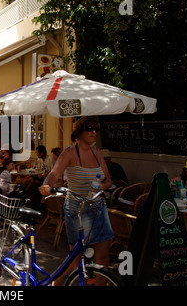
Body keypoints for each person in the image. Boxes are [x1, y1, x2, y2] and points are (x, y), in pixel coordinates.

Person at [39, 116, 113, 285]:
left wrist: (101, 187)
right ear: (79, 132)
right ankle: (56, 282)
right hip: (77, 209)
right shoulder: (70, 153)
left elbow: (108, 180)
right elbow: (54, 173)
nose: (94, 132)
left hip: (97, 207)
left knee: (103, 258)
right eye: (89, 129)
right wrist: (46, 185)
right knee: (76, 259)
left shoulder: (97, 153)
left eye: (96, 129)